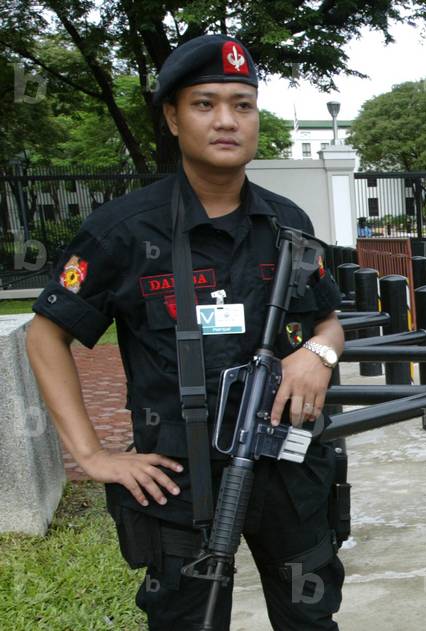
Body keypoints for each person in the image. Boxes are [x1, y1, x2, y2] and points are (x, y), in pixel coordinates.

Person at [26, 35, 346, 630]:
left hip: (288, 470)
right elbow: (46, 336)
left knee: (311, 619)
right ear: (173, 118)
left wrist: (317, 355)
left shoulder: (288, 223)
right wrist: (91, 455)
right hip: (177, 480)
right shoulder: (123, 230)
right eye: (205, 104)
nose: (227, 120)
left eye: (242, 104)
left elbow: (327, 318)